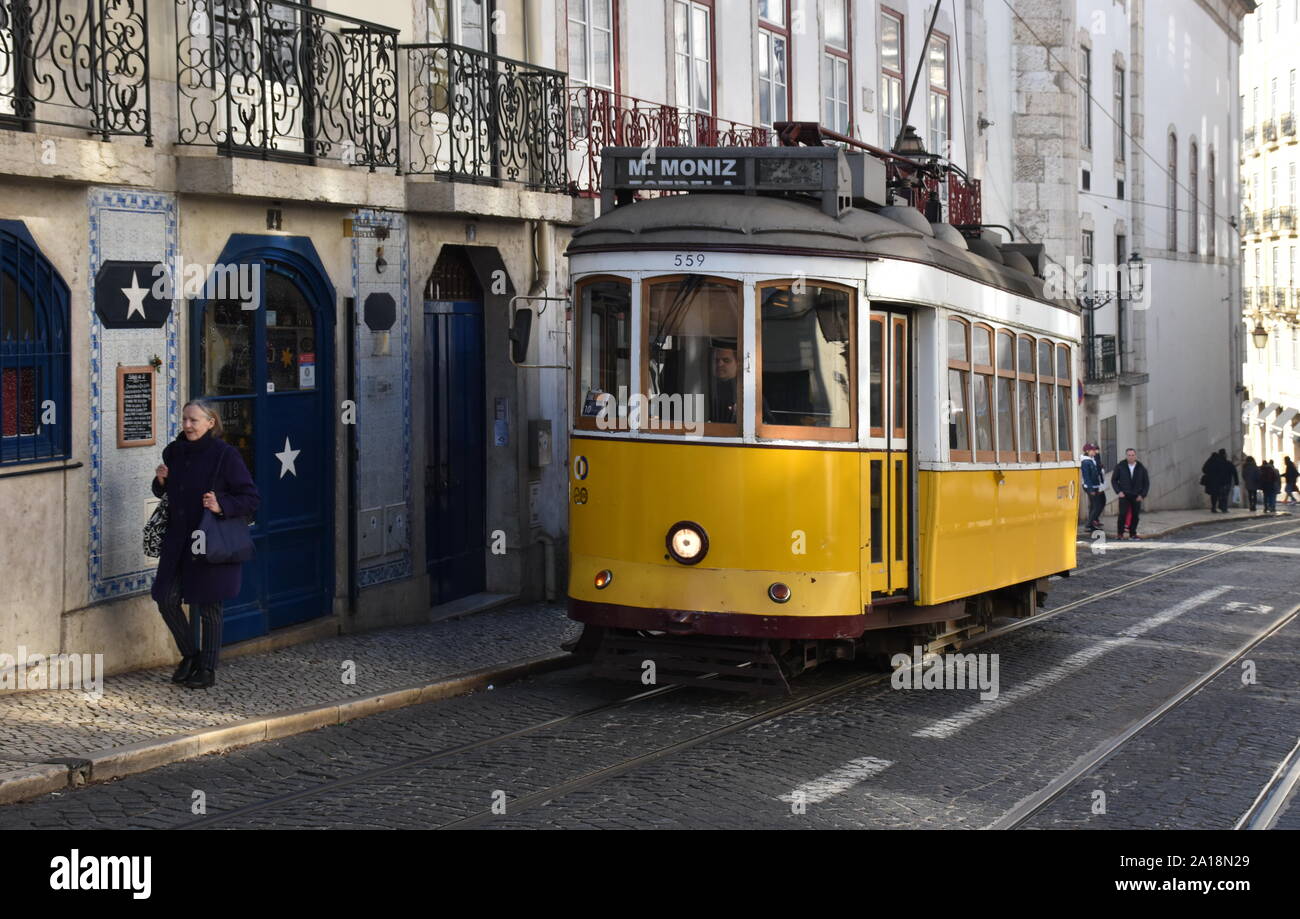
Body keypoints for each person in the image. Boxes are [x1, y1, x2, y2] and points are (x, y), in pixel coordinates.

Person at [151, 400, 260, 689]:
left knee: (210, 606)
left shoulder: (226, 456)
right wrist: (160, 482)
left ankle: (207, 669)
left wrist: (220, 504)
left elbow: (251, 498)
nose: (187, 425)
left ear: (211, 422)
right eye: (185, 419)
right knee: (166, 598)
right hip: (177, 540)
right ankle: (190, 655)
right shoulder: (174, 452)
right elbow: (170, 493)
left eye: (194, 420)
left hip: (208, 541)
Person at [1112, 447, 1149, 539]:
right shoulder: (1120, 466)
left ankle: (1133, 533)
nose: (1131, 457)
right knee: (1122, 514)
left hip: (1136, 495)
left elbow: (1146, 483)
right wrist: (1118, 491)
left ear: (1135, 456)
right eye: (1129, 455)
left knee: (1135, 515)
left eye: (1133, 455)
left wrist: (1142, 495)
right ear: (1126, 456)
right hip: (1124, 494)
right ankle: (1120, 534)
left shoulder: (1141, 467)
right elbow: (1114, 480)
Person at [709, 339, 739, 423]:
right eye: (716, 360)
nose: (719, 364)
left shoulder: (747, 392)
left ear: (737, 364)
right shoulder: (706, 388)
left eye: (726, 360)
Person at [1080, 442, 1106, 531]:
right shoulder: (1086, 462)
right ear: (1087, 451)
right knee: (1097, 505)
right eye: (1093, 450)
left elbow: (1098, 470)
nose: (1094, 452)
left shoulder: (1092, 460)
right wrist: (1091, 489)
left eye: (1095, 450)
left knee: (1095, 505)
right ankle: (1088, 525)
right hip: (1089, 486)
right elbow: (1086, 476)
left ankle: (1090, 524)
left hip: (1095, 485)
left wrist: (1098, 456)